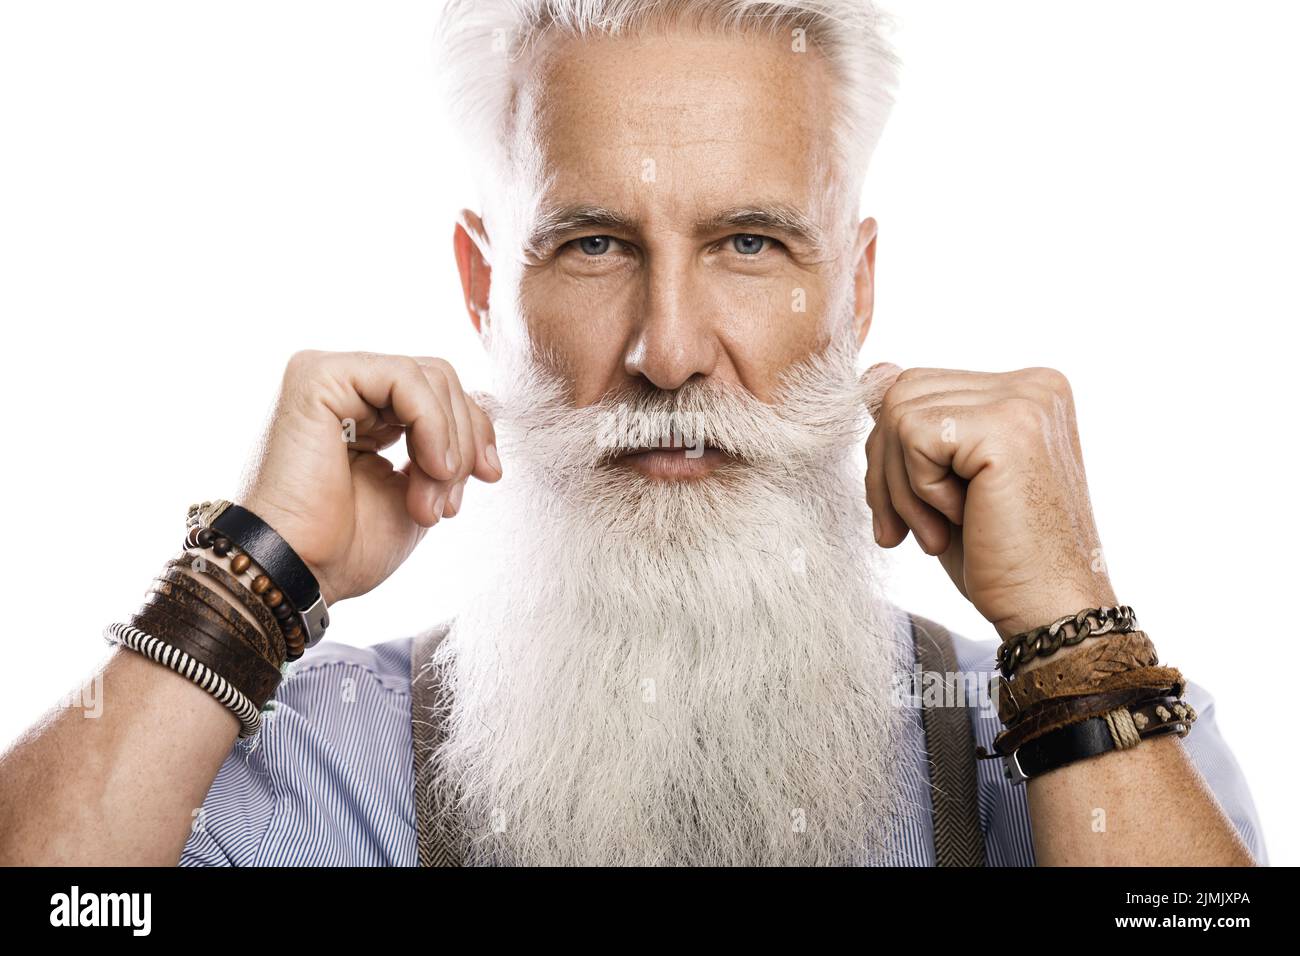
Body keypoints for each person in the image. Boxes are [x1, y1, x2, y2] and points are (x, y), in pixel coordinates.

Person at [0, 0, 1266, 866]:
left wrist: (1066, 638)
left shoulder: (1094, 732)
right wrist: (246, 577)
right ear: (483, 285)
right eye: (594, 243)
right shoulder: (316, 763)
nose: (668, 349)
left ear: (856, 290)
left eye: (749, 243)